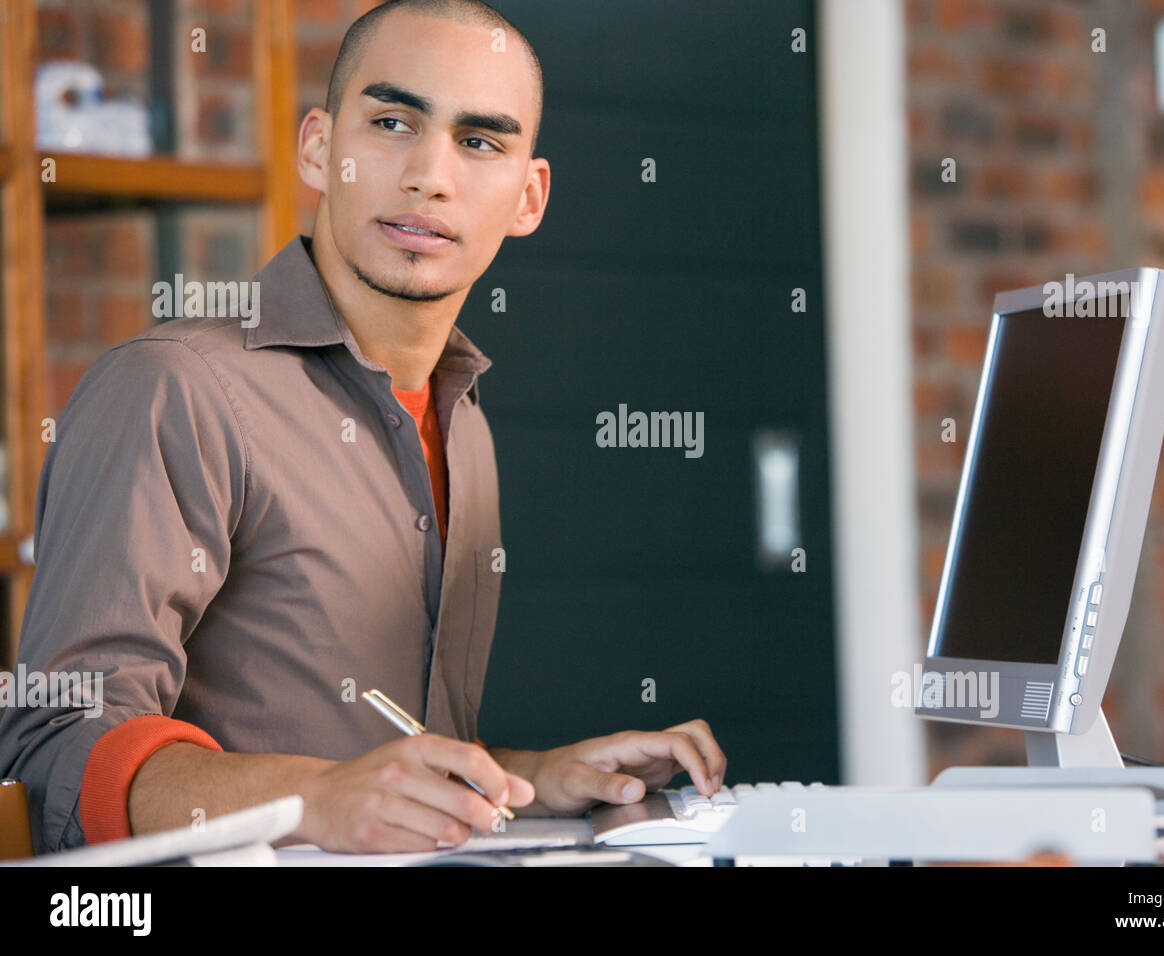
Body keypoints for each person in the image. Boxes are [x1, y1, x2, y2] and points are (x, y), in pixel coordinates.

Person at [0, 0, 725, 855]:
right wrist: (313, 798)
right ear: (319, 148)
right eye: (391, 122)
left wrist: (533, 779)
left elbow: (374, 770)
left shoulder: (465, 424)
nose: (430, 175)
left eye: (480, 142)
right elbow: (56, 749)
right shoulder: (173, 389)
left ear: (528, 197)